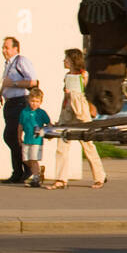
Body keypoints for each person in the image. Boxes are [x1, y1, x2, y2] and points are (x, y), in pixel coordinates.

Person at [47, 49, 107, 190]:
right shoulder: (67, 75)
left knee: (88, 146)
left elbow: (91, 94)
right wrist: (61, 115)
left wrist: (92, 108)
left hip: (81, 114)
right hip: (68, 114)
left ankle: (99, 177)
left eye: (66, 58)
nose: (64, 61)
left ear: (73, 60)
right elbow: (65, 98)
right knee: (62, 146)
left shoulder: (84, 75)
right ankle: (61, 179)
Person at [0, 36, 38, 183]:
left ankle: (27, 169)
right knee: (12, 137)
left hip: (20, 103)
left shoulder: (21, 61)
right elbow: (5, 82)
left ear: (16, 49)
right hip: (10, 103)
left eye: (7, 47)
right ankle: (19, 172)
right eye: (3, 47)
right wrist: (0, 94)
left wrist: (13, 84)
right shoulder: (8, 64)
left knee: (11, 136)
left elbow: (33, 81)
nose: (4, 50)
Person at [18, 88, 52, 188]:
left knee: (33, 159)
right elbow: (20, 126)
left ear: (41, 102)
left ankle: (36, 178)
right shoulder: (24, 112)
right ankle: (39, 170)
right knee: (26, 160)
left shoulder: (41, 113)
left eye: (37, 101)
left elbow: (49, 124)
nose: (34, 103)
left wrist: (50, 133)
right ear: (29, 100)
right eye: (32, 101)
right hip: (27, 139)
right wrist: (19, 137)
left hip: (37, 141)